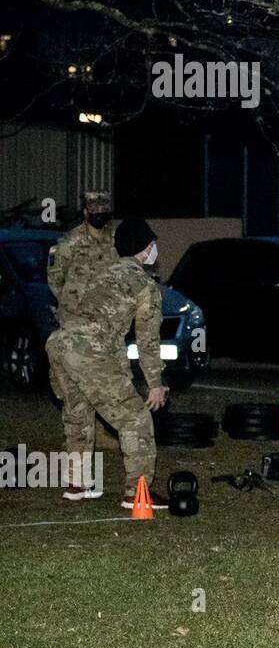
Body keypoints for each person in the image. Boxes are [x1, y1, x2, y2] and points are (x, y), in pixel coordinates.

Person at [45, 218, 169, 509]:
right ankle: (136, 493)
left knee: (79, 415)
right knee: (135, 418)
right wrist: (155, 385)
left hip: (59, 344)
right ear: (145, 248)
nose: (155, 250)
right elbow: (147, 341)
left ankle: (77, 484)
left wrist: (120, 372)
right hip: (88, 351)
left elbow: (101, 329)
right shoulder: (144, 285)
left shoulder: (103, 275)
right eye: (153, 245)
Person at [47, 191, 117, 324]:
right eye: (94, 210)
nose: (99, 214)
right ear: (86, 212)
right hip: (76, 317)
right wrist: (71, 302)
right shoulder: (70, 241)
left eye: (103, 210)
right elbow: (55, 279)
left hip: (108, 315)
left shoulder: (116, 239)